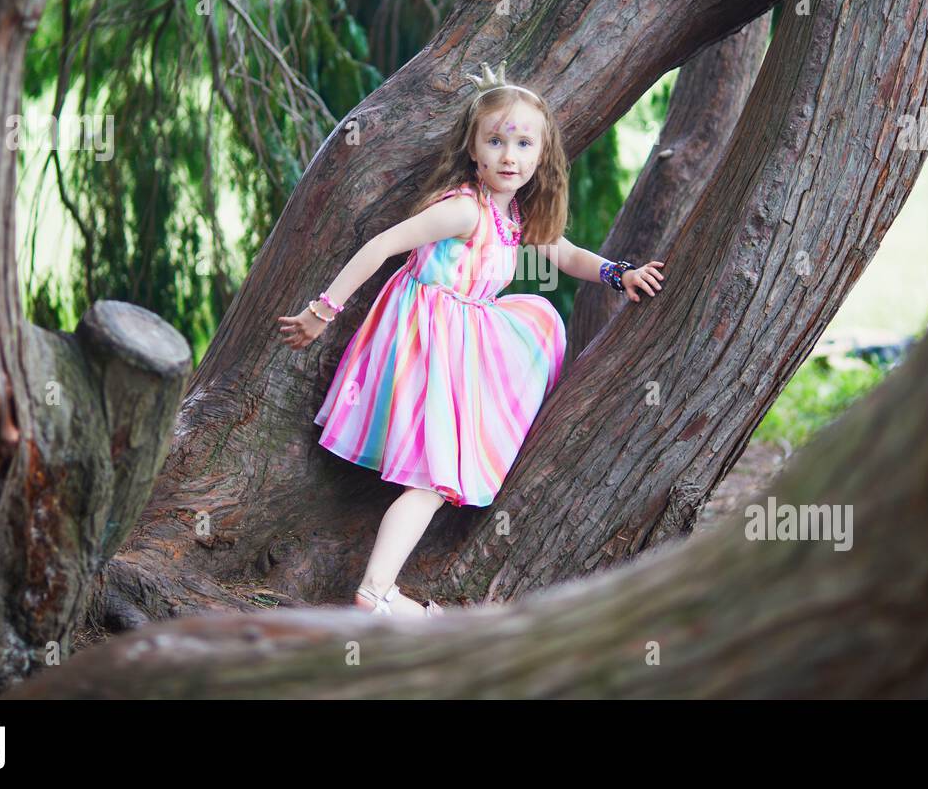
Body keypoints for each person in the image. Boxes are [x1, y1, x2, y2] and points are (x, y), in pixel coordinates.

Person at [278, 60, 666, 618]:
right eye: (497, 141)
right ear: (475, 150)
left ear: (541, 155)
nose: (510, 155)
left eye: (523, 143)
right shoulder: (463, 208)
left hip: (464, 338)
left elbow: (565, 253)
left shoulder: (511, 214)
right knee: (435, 477)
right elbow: (382, 246)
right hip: (426, 340)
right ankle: (374, 593)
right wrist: (323, 309)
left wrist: (618, 273)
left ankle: (379, 591)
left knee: (535, 322)